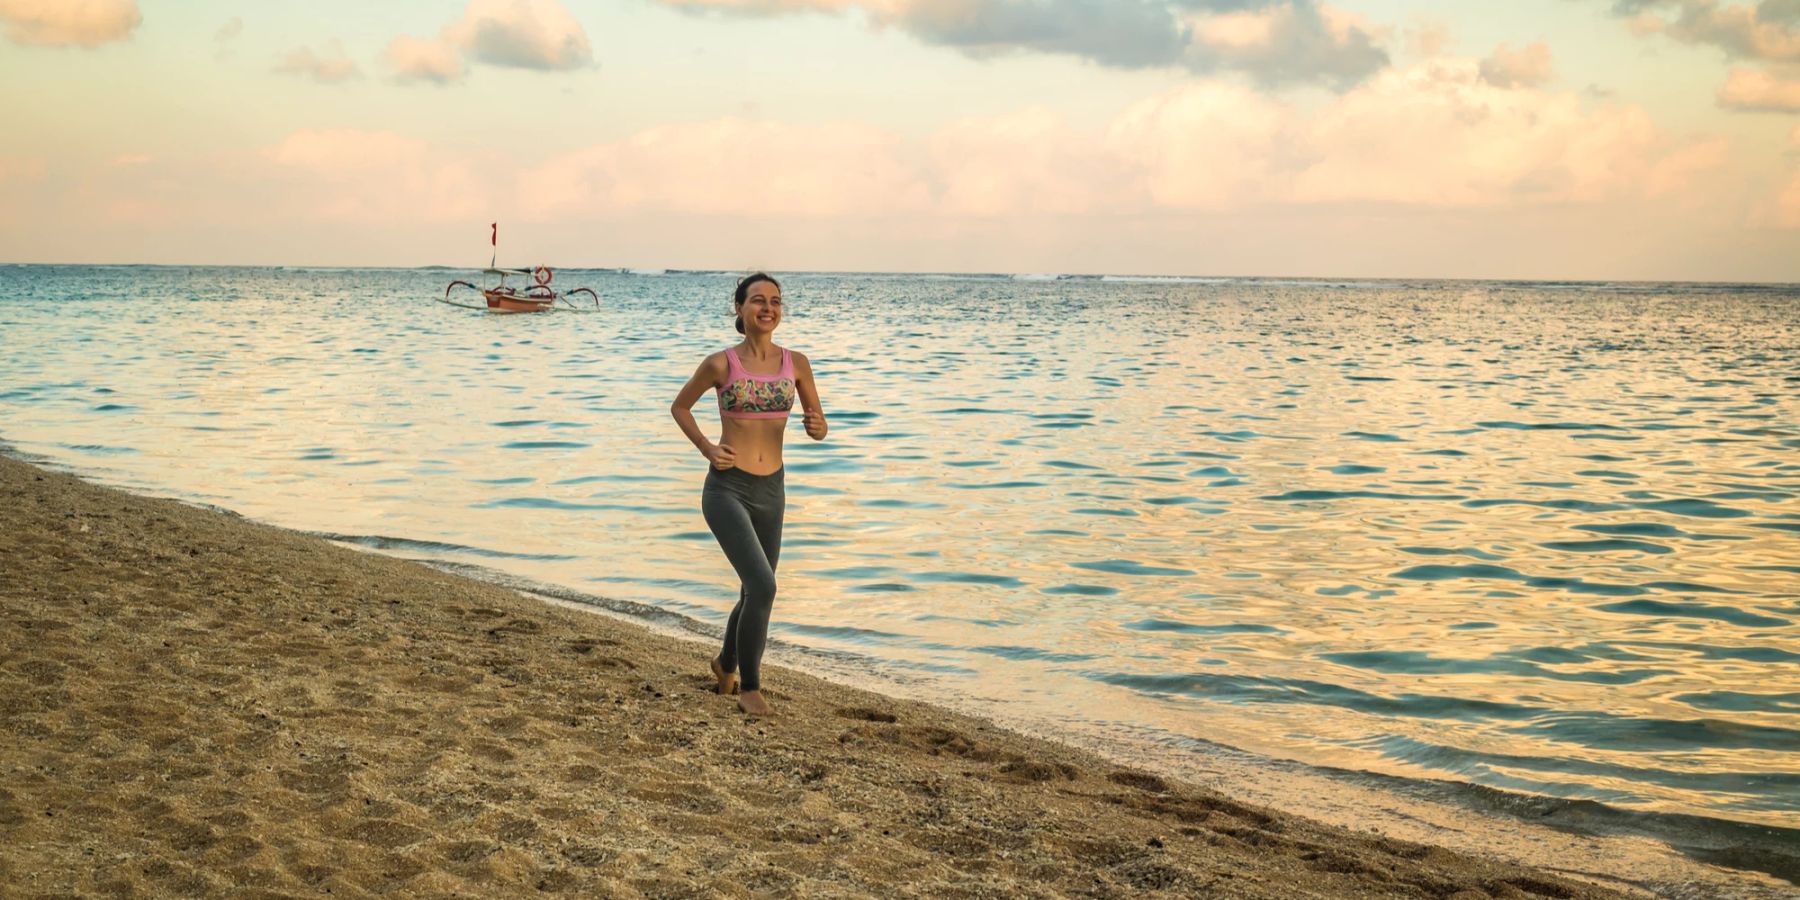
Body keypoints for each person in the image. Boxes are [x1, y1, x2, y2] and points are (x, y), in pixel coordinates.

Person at [670, 273, 827, 716]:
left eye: (775, 301)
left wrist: (818, 428)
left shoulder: (796, 363)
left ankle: (725, 664)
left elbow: (819, 420)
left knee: (752, 591)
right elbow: (680, 406)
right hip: (727, 489)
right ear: (739, 309)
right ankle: (750, 688)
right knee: (763, 585)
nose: (768, 308)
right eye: (757, 300)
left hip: (773, 489)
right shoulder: (721, 364)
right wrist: (706, 447)